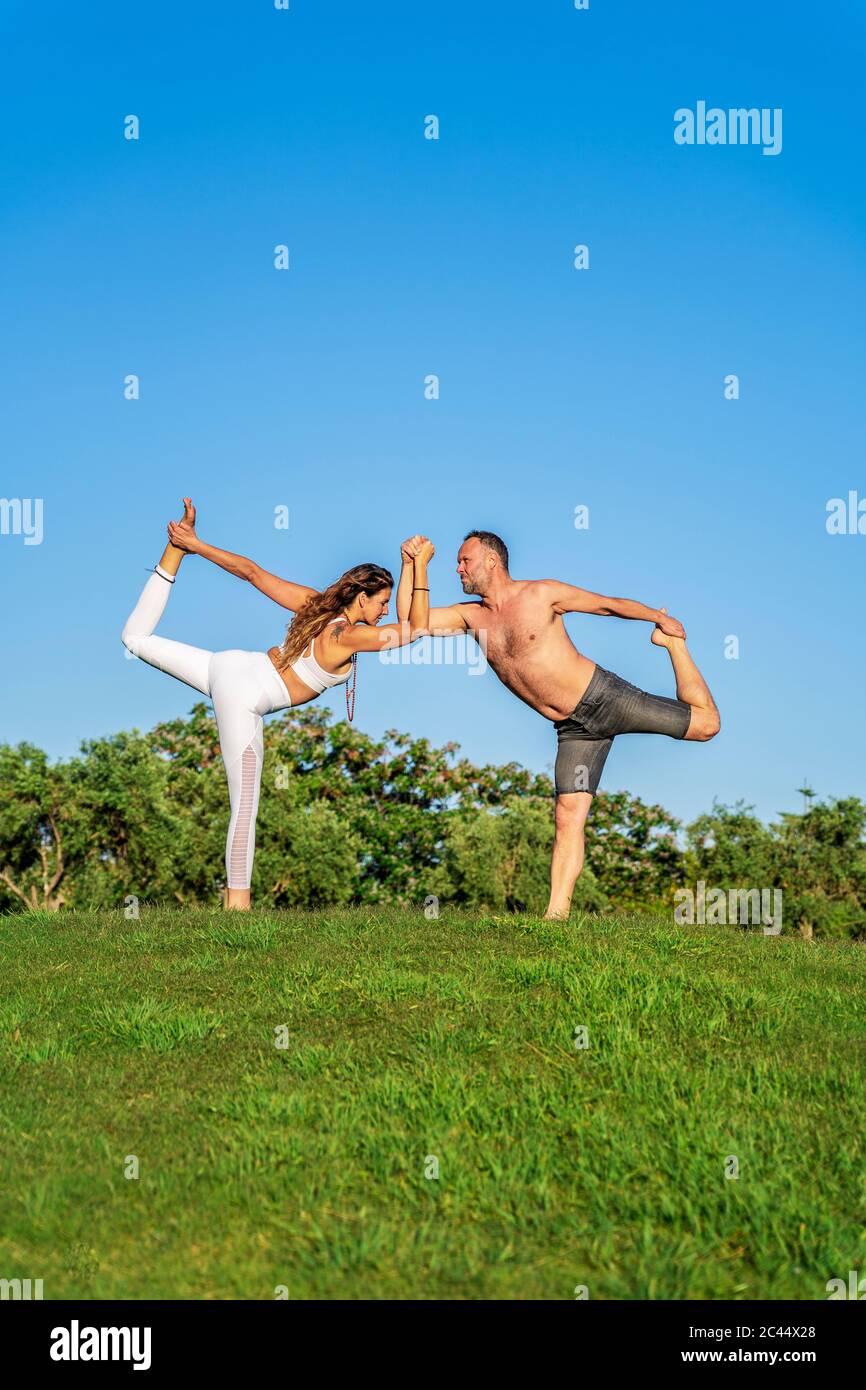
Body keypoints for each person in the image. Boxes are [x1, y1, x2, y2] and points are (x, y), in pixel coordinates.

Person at [122, 498, 433, 910]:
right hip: (245, 696)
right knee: (245, 807)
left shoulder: (318, 606)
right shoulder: (348, 636)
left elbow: (251, 573)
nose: (382, 612)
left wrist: (195, 545)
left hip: (227, 664)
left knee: (136, 639)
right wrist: (423, 566)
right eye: (379, 603)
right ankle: (238, 908)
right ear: (361, 598)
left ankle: (173, 553)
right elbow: (416, 629)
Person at [405, 529, 720, 920]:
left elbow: (605, 605)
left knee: (706, 725)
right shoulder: (471, 617)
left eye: (464, 561)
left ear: (491, 560)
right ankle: (557, 915)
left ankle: (676, 650)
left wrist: (659, 619)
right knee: (567, 816)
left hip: (605, 699)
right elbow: (413, 625)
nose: (458, 569)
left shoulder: (541, 594)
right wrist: (413, 566)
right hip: (573, 730)